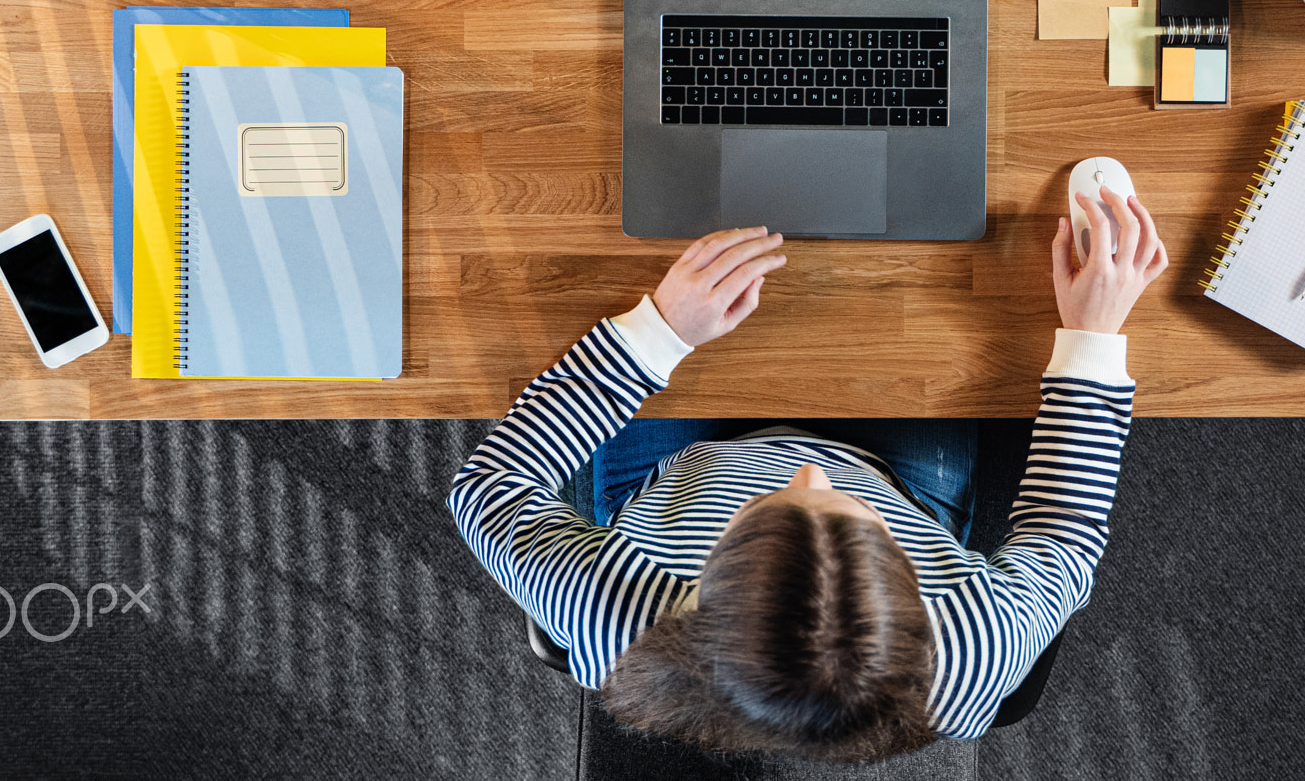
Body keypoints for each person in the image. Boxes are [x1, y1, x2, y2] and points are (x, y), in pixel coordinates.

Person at [448, 184, 1168, 761]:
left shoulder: (621, 619)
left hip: (670, 468)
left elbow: (486, 491)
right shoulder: (972, 645)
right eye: (854, 520)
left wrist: (655, 332)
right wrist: (1093, 339)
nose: (809, 476)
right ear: (915, 596)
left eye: (762, 513)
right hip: (892, 471)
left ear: (699, 596)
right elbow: (1066, 542)